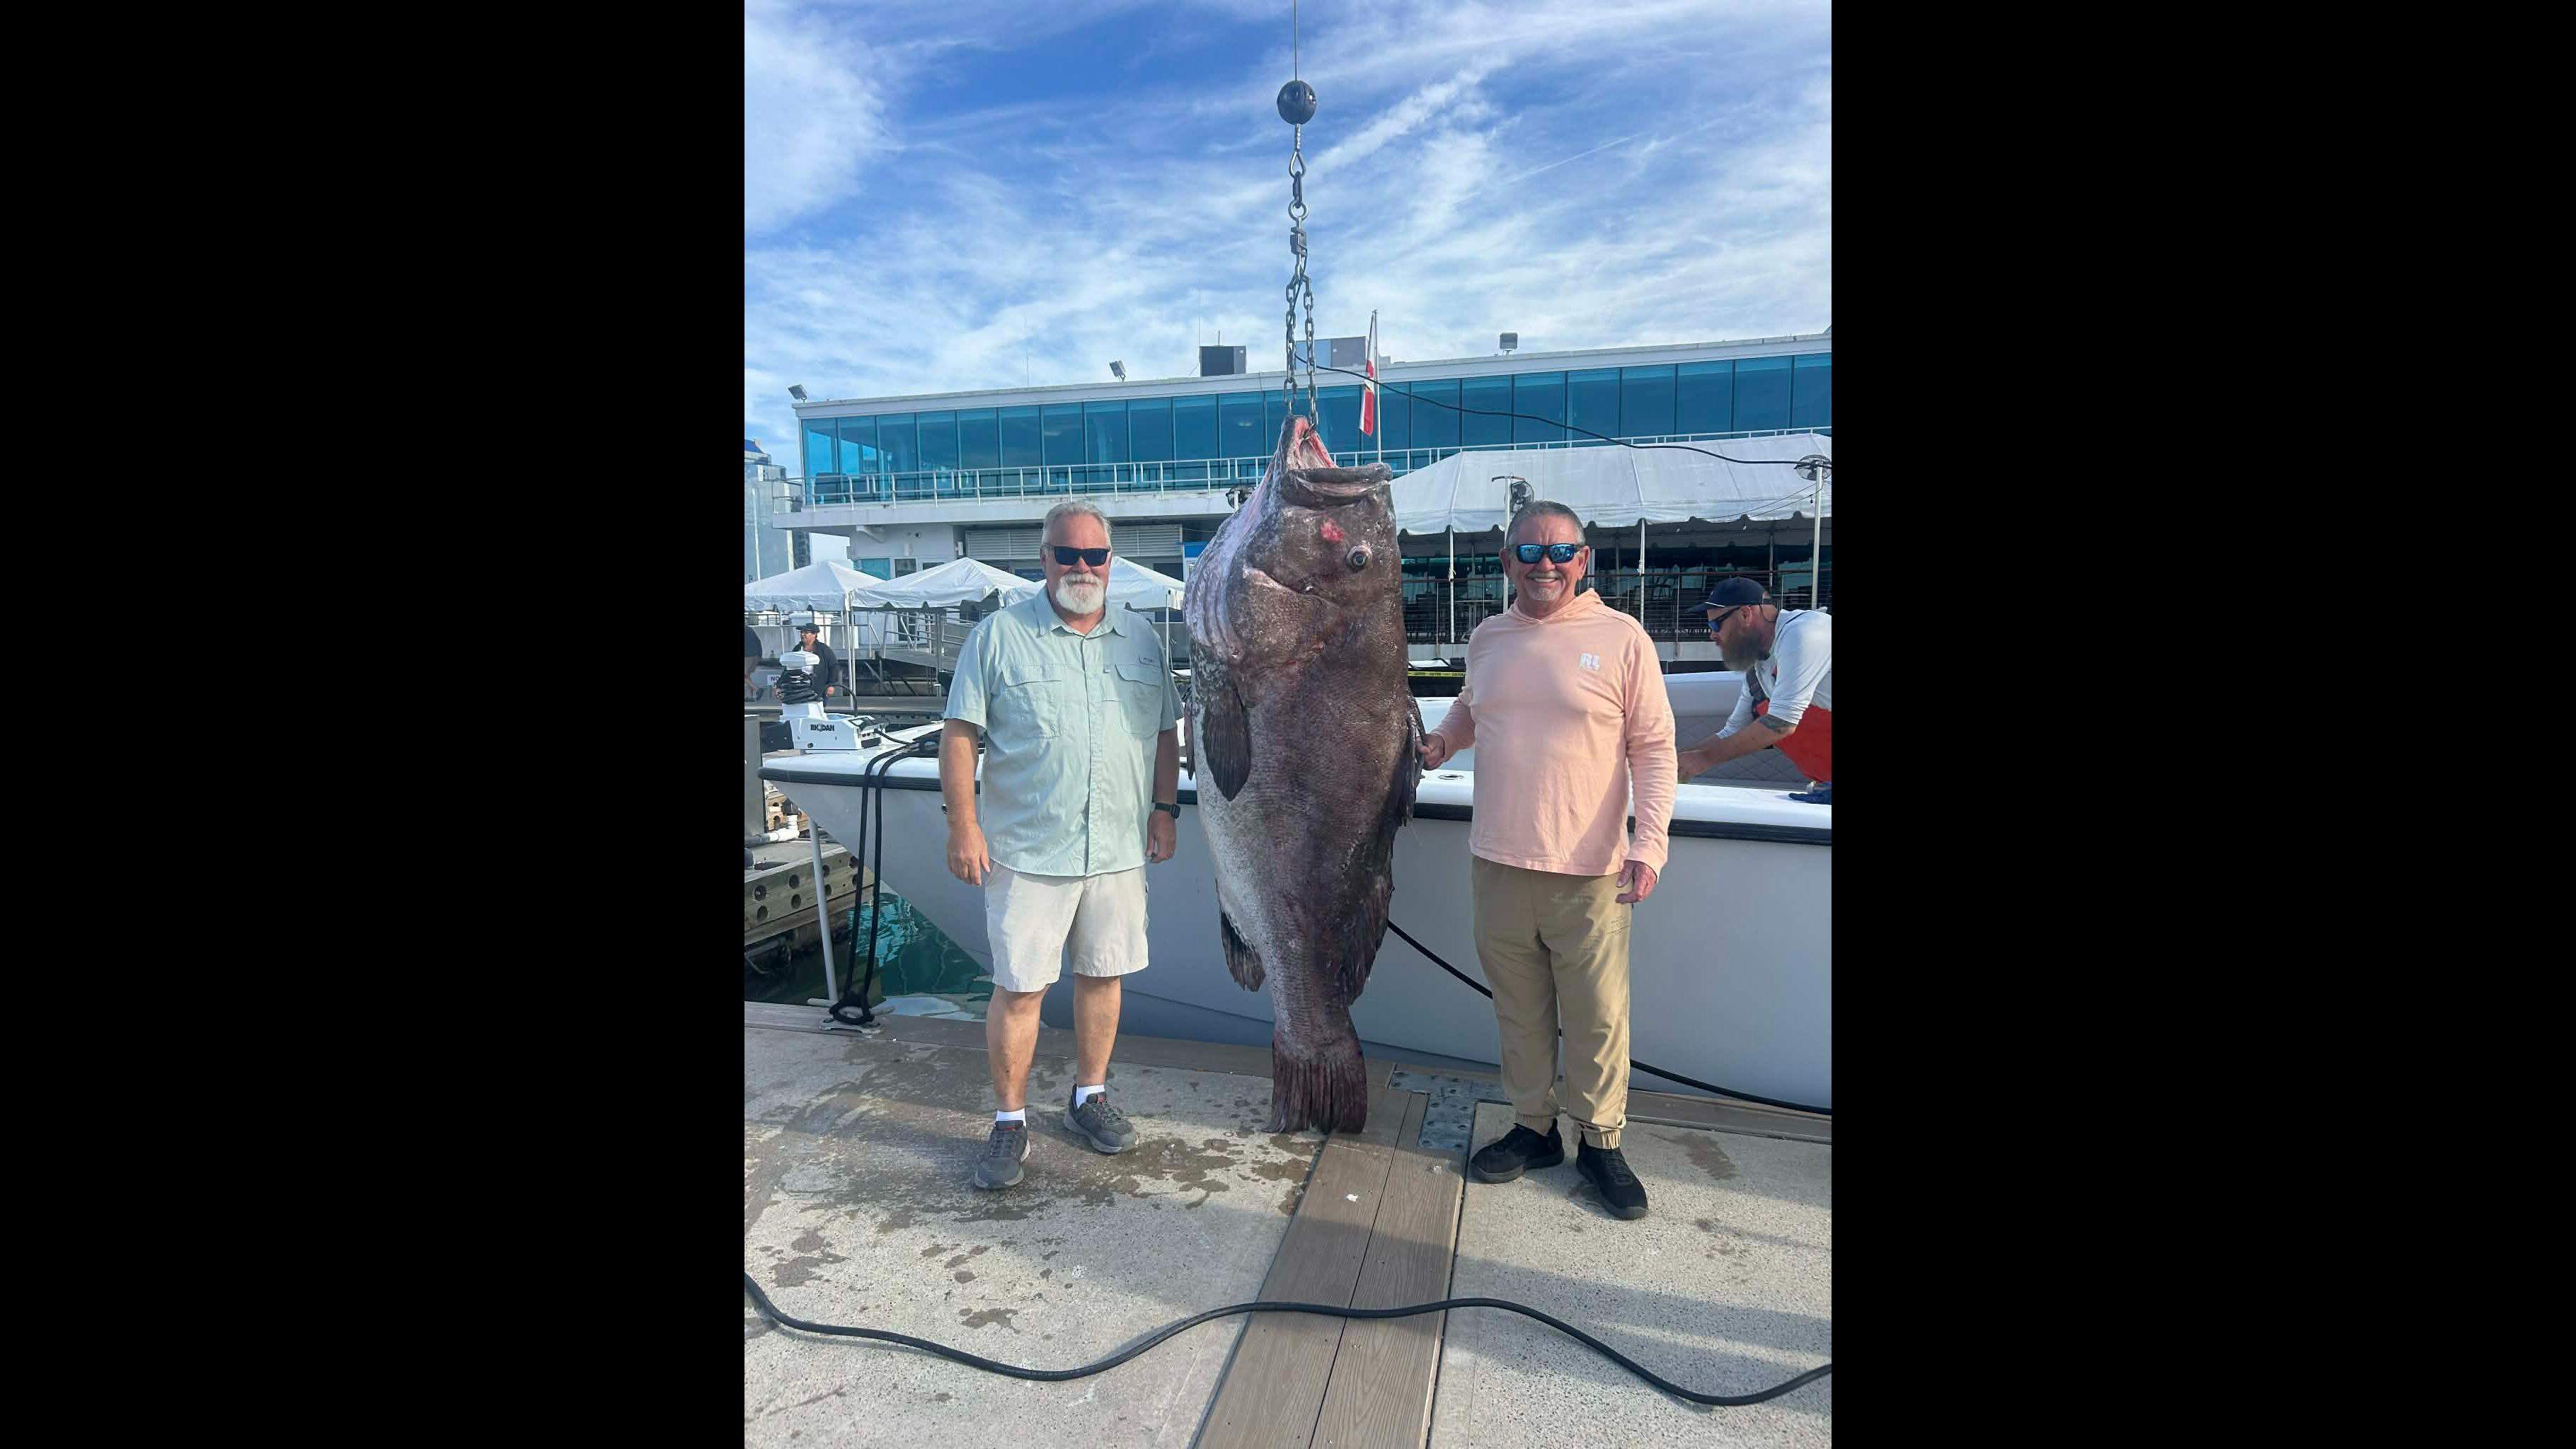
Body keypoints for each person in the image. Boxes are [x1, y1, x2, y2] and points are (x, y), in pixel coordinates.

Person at [1416, 501, 1676, 1220]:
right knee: (1519, 1011)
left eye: (1561, 550)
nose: (1545, 565)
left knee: (1597, 1017)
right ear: (1506, 563)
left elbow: (1654, 749)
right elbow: (1474, 706)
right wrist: (1442, 740)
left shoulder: (1621, 638)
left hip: (1591, 869)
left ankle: (1600, 1140)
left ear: (1584, 559)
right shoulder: (1489, 636)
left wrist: (1649, 842)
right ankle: (1534, 1129)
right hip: (1497, 860)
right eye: (1528, 553)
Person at [939, 500, 1181, 1190]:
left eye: (1094, 555)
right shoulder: (997, 636)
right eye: (1066, 554)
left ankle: (1089, 1096)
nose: (1082, 566)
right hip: (1025, 849)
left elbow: (1165, 732)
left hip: (1114, 847)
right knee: (1020, 987)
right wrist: (964, 823)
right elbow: (959, 735)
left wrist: (1164, 811)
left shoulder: (1141, 639)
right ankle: (1010, 1118)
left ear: (1111, 561)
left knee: (1103, 976)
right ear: (1043, 559)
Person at [1674, 579, 1832, 792]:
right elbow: (1731, 732)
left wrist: (1703, 760)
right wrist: (1673, 762)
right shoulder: (1758, 670)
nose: (1712, 635)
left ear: (1746, 614)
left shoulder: (1803, 633)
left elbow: (1782, 723)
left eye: (1715, 625)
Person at [794, 619, 841, 700]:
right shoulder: (797, 649)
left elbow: (834, 667)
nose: (802, 634)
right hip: (799, 688)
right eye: (801, 632)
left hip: (818, 689)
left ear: (814, 634)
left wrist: (831, 685)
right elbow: (788, 668)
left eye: (806, 632)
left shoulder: (824, 649)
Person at [744, 623, 763, 701]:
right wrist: (760, 656)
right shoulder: (749, 629)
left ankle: (757, 689)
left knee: (744, 676)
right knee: (747, 676)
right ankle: (749, 697)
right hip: (756, 655)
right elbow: (758, 641)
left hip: (748, 655)